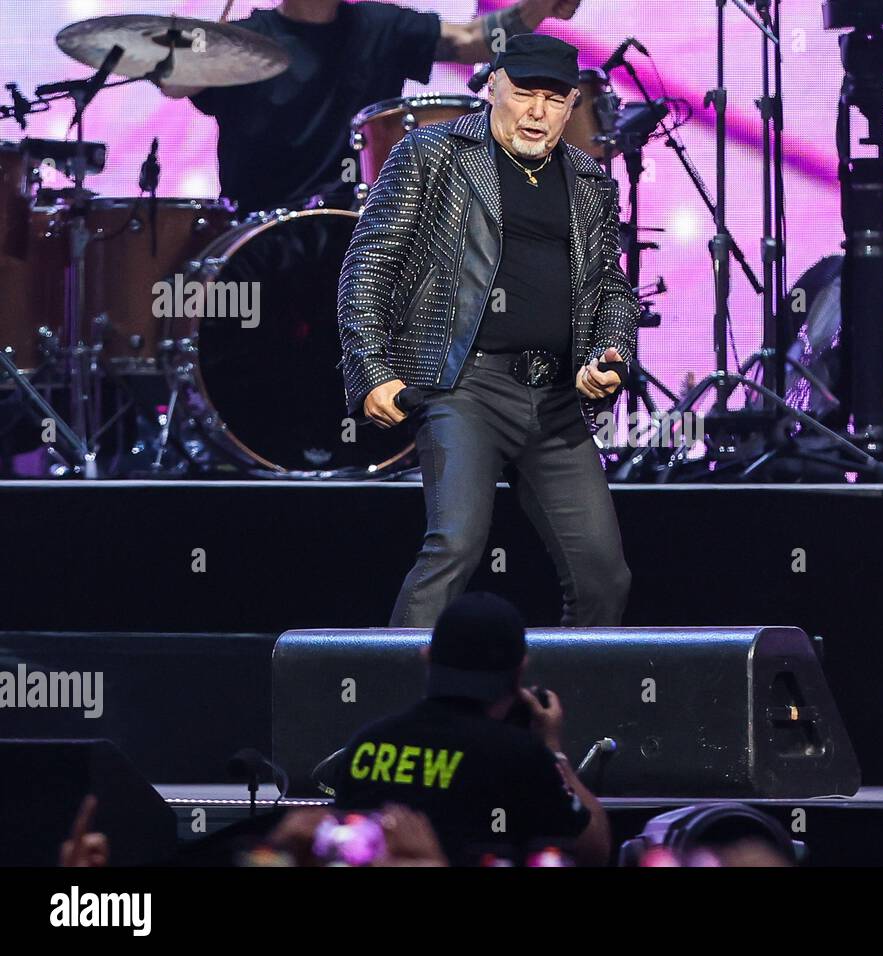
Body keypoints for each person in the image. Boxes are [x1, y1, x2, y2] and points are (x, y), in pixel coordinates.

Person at [337, 34, 636, 628]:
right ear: (493, 87)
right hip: (466, 386)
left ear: (573, 104)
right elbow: (367, 266)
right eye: (524, 94)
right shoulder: (432, 154)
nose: (536, 112)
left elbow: (613, 289)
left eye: (553, 101)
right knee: (454, 546)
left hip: (556, 399)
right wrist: (372, 371)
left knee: (605, 572)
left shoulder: (589, 180)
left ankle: (563, 715)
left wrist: (613, 355)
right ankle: (399, 711)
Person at [158, 0, 582, 212]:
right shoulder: (241, 41)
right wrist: (201, 48)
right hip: (257, 240)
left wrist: (538, 6)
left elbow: (470, 40)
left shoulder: (380, 26)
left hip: (362, 236)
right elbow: (173, 82)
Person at [330, 591, 612, 865]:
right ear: (519, 672)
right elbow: (594, 849)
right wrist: (553, 749)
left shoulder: (367, 746)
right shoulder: (523, 758)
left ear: (428, 657)